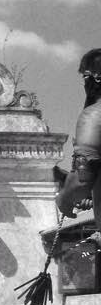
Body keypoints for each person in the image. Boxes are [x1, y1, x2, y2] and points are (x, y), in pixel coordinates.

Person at [56, 49, 101, 234]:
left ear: (96, 77)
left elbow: (82, 179)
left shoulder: (94, 115)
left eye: (85, 77)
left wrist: (64, 199)